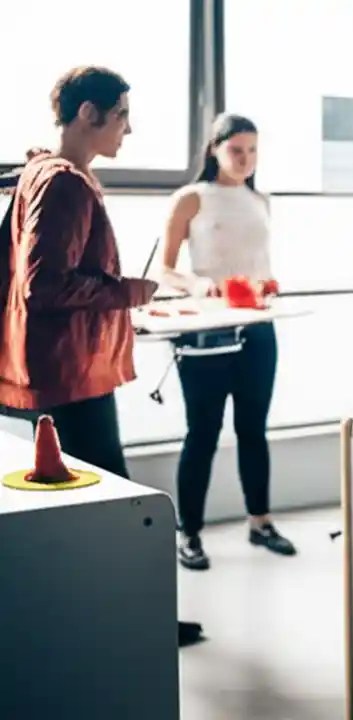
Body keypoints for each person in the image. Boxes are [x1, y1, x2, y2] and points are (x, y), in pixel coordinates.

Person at [0, 66, 203, 646]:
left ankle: (98, 618)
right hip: (70, 373)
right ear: (88, 114)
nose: (129, 131)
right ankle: (133, 626)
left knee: (86, 502)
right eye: (121, 116)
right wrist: (130, 292)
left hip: (52, 369)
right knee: (112, 507)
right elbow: (45, 286)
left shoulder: (39, 173)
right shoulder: (64, 182)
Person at [159, 113, 293, 570]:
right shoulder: (191, 198)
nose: (245, 159)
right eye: (236, 149)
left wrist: (268, 284)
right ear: (214, 148)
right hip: (205, 331)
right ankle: (188, 533)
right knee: (203, 432)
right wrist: (197, 285)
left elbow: (258, 263)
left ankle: (261, 523)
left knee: (254, 429)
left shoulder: (261, 200)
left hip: (258, 327)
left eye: (253, 150)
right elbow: (165, 268)